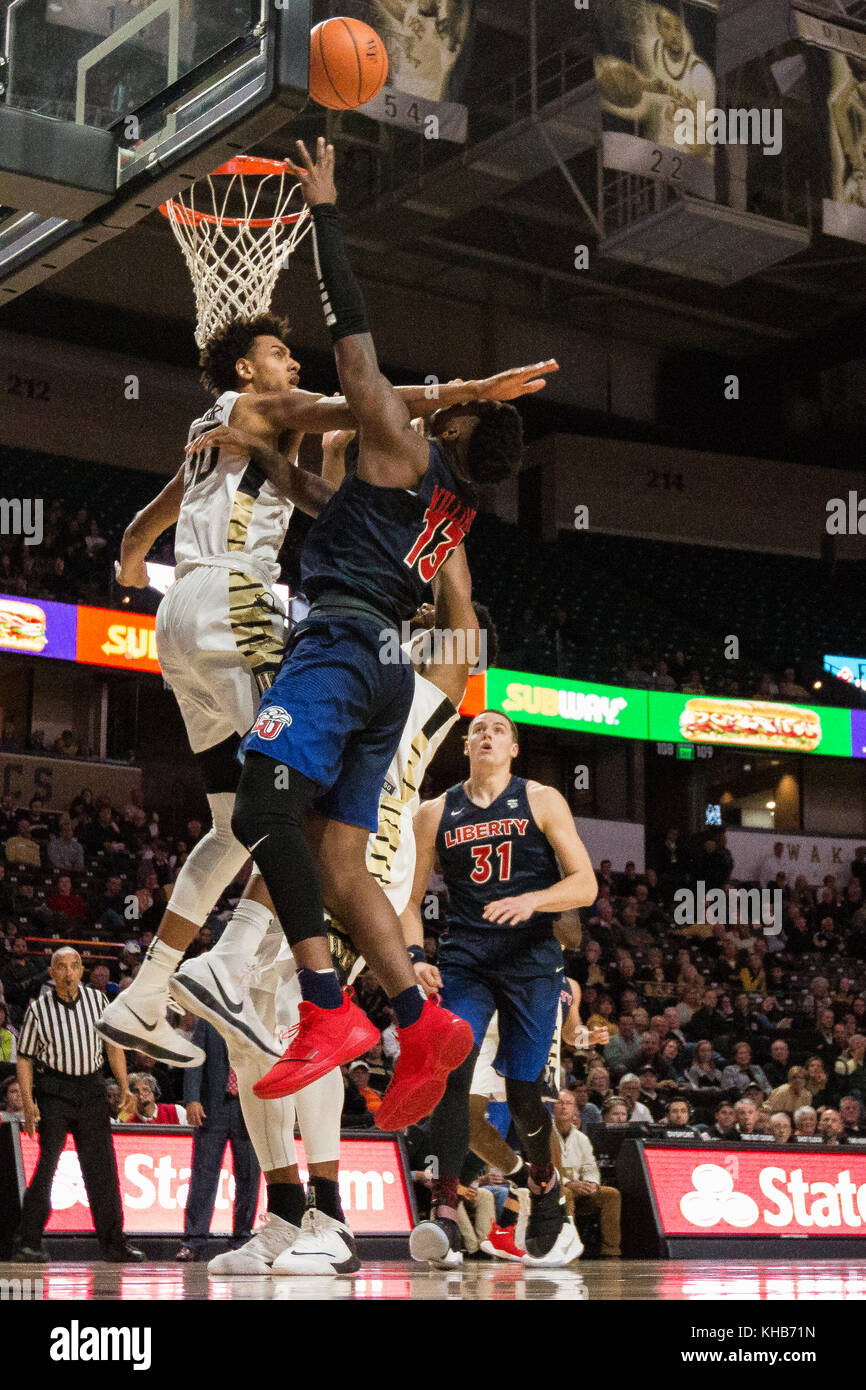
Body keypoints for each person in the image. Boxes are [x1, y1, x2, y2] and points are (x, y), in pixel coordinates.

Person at [227, 139, 555, 1130]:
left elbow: (353, 339)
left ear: (448, 429)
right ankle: (417, 1018)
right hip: (384, 669)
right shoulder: (446, 502)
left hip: (337, 648)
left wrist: (324, 210)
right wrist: (273, 466)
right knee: (335, 863)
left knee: (256, 808)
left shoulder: (408, 441)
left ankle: (327, 1010)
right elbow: (341, 518)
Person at [405, 705, 597, 1268]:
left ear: (513, 749)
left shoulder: (541, 798)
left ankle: (541, 1183)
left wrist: (533, 899)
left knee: (520, 1091)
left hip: (532, 961)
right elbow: (410, 904)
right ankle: (442, 1209)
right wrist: (415, 956)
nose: (486, 735)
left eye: (498, 730)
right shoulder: (435, 812)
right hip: (465, 960)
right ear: (465, 747)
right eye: (477, 731)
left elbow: (584, 884)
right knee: (451, 1064)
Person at [14, 948, 142, 1263]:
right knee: (47, 1166)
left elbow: (113, 1047)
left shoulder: (99, 1002)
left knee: (103, 1169)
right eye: (61, 967)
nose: (68, 973)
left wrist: (124, 1086)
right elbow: (26, 1058)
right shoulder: (38, 1009)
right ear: (52, 972)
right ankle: (28, 1241)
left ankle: (114, 1245)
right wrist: (29, 1102)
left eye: (73, 966)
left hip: (91, 1089)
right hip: (54, 1090)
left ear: (81, 969)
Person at [175, 1020, 260, 1262]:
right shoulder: (209, 1021)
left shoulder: (259, 1019)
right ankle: (194, 1241)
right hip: (213, 1107)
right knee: (203, 1176)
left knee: (249, 1175)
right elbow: (195, 1060)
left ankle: (242, 1239)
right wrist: (191, 1098)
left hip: (250, 1107)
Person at [551, 1089, 621, 1257]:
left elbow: (590, 1166)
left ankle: (611, 1250)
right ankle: (568, 1247)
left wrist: (592, 1183)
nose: (564, 1107)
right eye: (560, 1103)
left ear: (575, 1109)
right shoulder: (545, 1133)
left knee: (612, 1194)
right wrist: (568, 1182)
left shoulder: (581, 1138)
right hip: (556, 1187)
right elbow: (543, 1166)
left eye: (568, 1103)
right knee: (565, 1193)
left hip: (580, 1188)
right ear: (552, 1107)